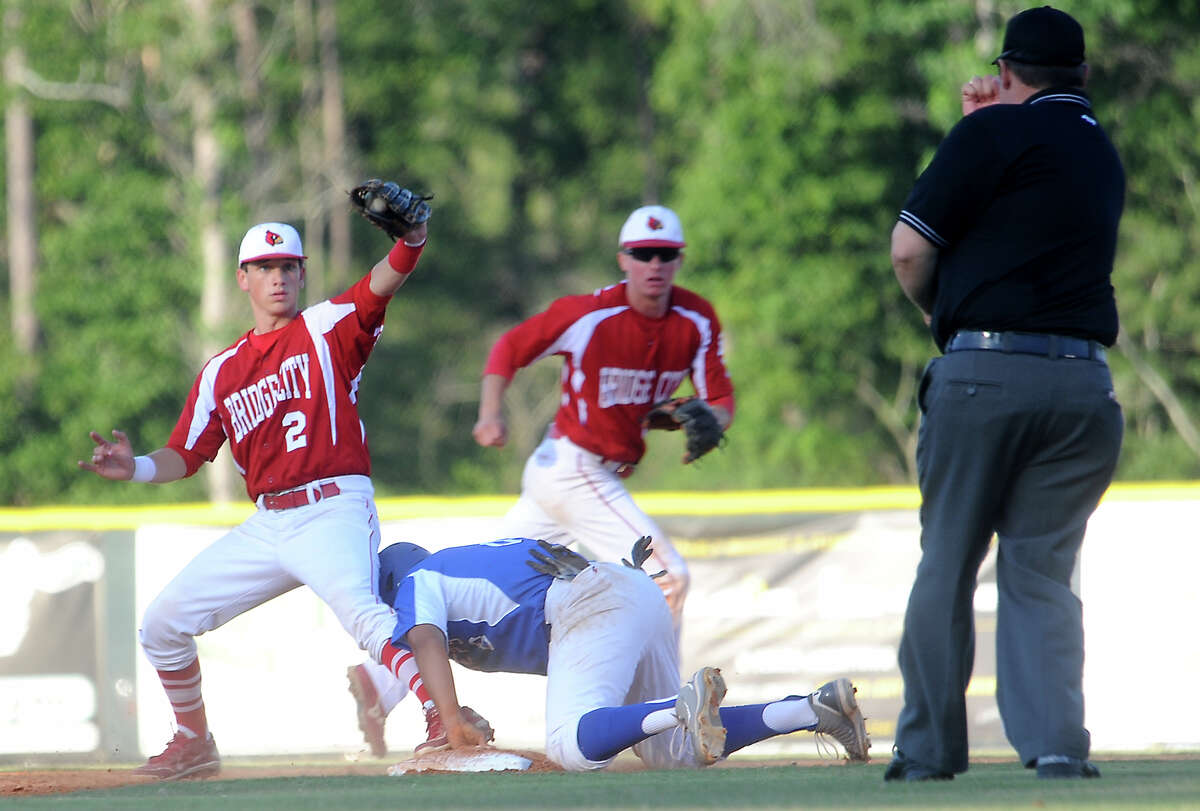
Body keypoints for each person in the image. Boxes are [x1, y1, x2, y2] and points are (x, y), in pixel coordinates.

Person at [346, 203, 736, 757]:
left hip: (575, 479)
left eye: (666, 254)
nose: (655, 263)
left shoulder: (695, 321)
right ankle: (669, 716)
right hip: (574, 465)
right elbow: (511, 346)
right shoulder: (590, 314)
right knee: (668, 576)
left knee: (473, 574)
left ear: (679, 260)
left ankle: (377, 681)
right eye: (643, 254)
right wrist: (489, 412)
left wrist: (711, 419)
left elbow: (720, 400)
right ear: (624, 259)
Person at [78, 202, 433, 780]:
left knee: (366, 620)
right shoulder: (222, 370)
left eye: (288, 267)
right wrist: (136, 466)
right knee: (163, 623)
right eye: (264, 267)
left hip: (332, 507)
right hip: (269, 522)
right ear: (242, 278)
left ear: (302, 275)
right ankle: (194, 741)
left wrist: (412, 240)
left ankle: (442, 720)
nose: (278, 277)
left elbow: (380, 285)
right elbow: (187, 455)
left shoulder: (324, 328)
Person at [887, 6, 1124, 782]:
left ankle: (927, 752)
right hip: (1084, 385)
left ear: (1007, 67)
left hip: (985, 368)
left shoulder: (990, 134)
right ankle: (1057, 745)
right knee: (1040, 572)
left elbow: (911, 248)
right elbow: (1030, 206)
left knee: (948, 561)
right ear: (1084, 74)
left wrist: (943, 319)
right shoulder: (1102, 152)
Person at [369, 536, 869, 770]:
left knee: (569, 746)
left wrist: (452, 717)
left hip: (588, 600)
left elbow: (426, 640)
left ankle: (681, 707)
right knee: (674, 755)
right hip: (622, 592)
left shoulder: (420, 578)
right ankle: (814, 709)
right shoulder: (457, 574)